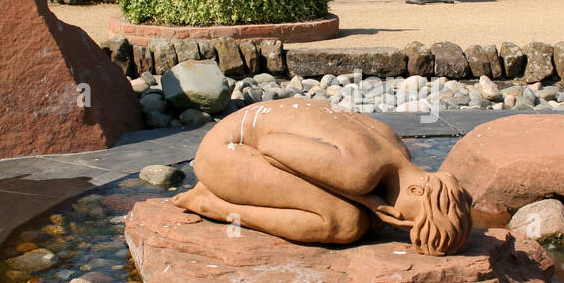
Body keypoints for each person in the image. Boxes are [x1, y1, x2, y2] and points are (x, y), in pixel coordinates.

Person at [172, 98, 472, 255]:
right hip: (225, 152)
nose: (401, 222)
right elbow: (271, 146)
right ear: (419, 191)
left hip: (246, 134)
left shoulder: (397, 151)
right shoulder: (360, 173)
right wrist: (365, 200)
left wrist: (371, 204)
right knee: (342, 223)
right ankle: (210, 202)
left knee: (357, 219)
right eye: (410, 222)